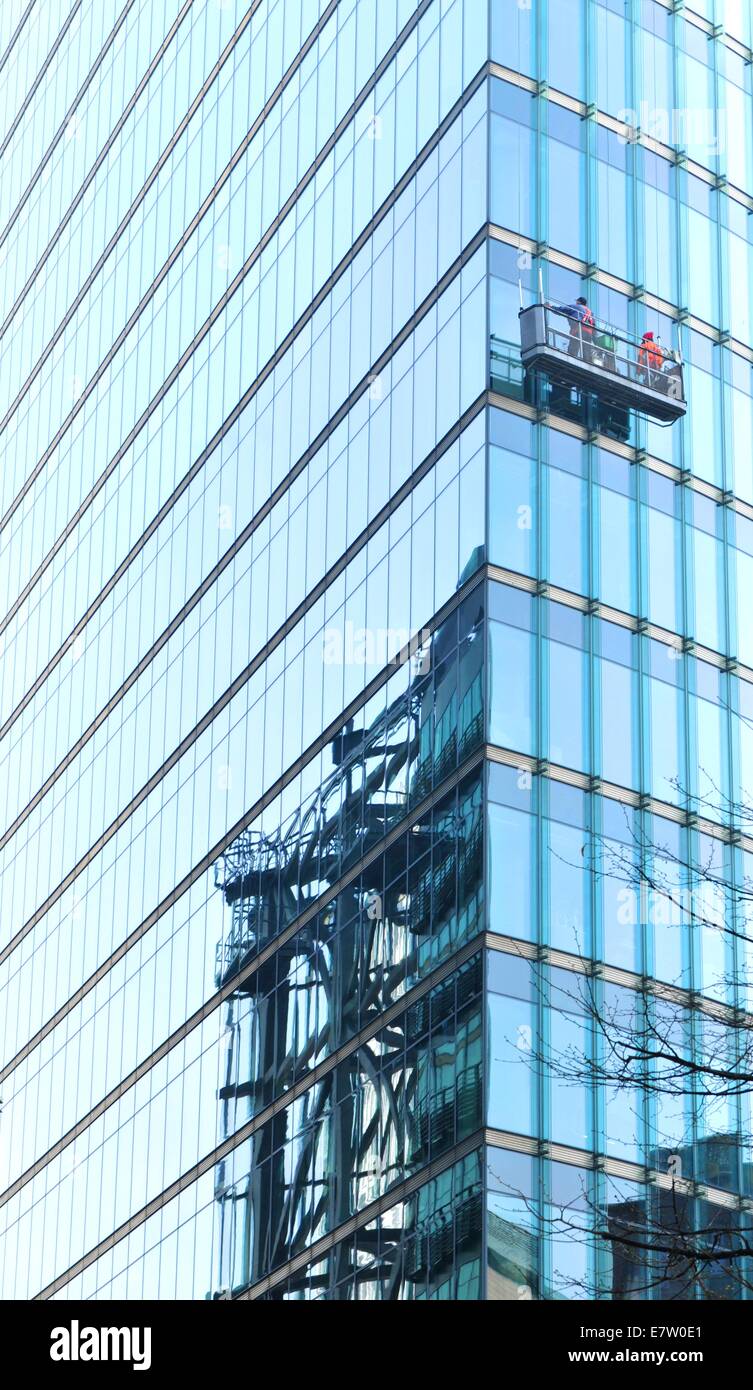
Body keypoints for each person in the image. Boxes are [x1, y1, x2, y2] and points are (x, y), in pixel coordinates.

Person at [547, 296, 595, 361]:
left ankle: (571, 360)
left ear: (578, 302)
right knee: (587, 352)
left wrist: (551, 307)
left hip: (578, 330)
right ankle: (589, 363)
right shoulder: (590, 313)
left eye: (576, 301)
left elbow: (562, 309)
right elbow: (594, 325)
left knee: (572, 351)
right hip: (589, 333)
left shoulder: (577, 307)